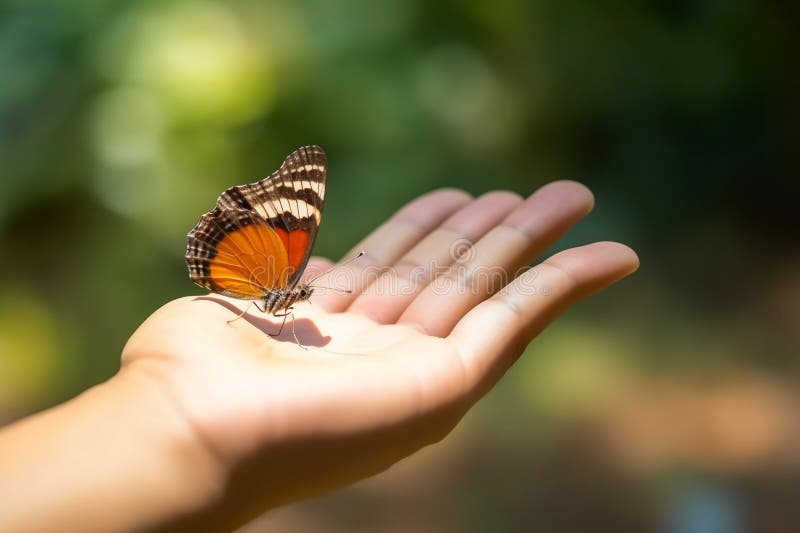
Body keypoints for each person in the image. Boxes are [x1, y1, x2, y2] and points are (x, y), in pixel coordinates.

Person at [0, 182, 638, 532]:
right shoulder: (274, 282)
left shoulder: (288, 293)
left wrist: (178, 426)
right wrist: (179, 419)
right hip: (240, 271)